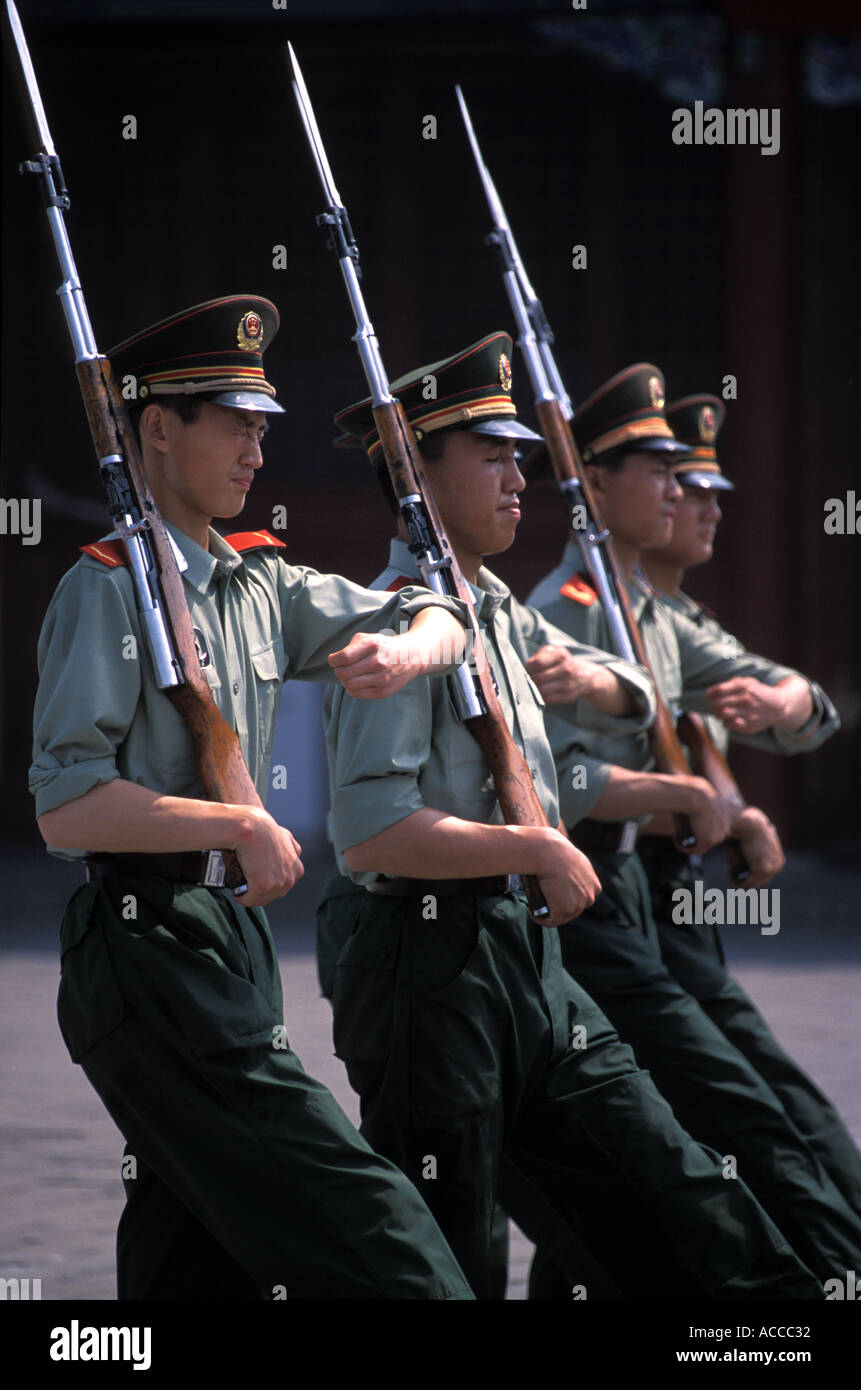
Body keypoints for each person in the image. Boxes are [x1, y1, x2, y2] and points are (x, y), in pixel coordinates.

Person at [319, 331, 823, 1300]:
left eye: (521, 453)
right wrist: (539, 841)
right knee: (454, 1246)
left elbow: (636, 683)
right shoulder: (391, 620)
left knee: (676, 1191)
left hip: (532, 956)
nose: (523, 474)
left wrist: (603, 681)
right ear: (417, 470)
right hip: (426, 962)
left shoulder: (505, 612)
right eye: (494, 453)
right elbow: (374, 832)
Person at [29, 294, 477, 1301]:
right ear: (155, 426)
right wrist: (236, 818)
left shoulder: (258, 585)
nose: (255, 452)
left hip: (227, 939)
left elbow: (444, 611)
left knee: (194, 1245)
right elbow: (66, 806)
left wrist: (405, 650)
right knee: (365, 1210)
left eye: (261, 428)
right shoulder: (103, 591)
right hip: (143, 944)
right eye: (234, 424)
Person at [525, 363, 861, 1292]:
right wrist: (681, 800)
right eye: (664, 474)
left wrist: (778, 707)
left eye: (690, 478)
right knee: (716, 1116)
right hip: (590, 899)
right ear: (590, 484)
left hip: (647, 898)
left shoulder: (656, 617)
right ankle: (818, 1284)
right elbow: (543, 782)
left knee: (690, 1124)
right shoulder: (565, 613)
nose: (685, 497)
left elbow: (803, 706)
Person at [637, 393, 861, 1210]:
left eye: (710, 492)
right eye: (684, 485)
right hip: (620, 905)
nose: (703, 507)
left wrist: (786, 704)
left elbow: (802, 707)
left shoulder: (686, 626)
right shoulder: (593, 619)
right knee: (752, 1119)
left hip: (678, 900)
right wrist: (724, 809)